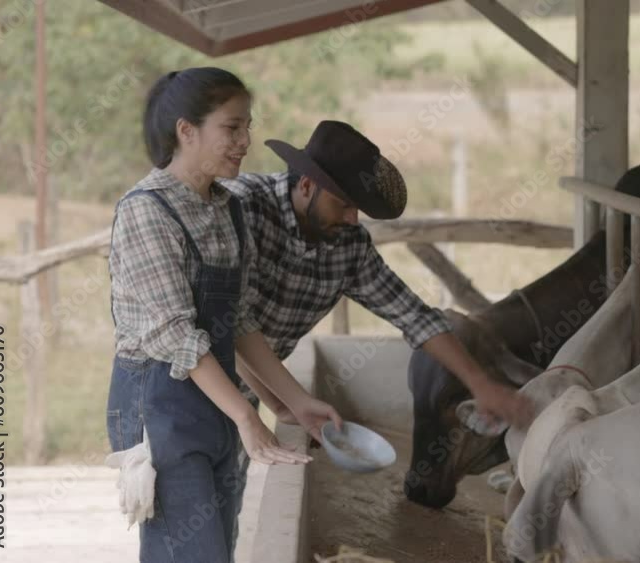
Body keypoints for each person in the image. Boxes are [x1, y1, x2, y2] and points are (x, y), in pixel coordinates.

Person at [104, 67, 342, 562]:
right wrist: (245, 417)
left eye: (247, 127)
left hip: (215, 399)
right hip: (159, 402)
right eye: (231, 128)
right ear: (186, 131)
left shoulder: (227, 208)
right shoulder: (146, 211)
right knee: (191, 553)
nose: (245, 141)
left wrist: (296, 402)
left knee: (217, 548)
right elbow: (176, 335)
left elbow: (241, 320)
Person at [219, 121, 533, 495]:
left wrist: (480, 384)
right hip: (187, 375)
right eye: (345, 204)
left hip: (246, 388)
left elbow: (414, 316)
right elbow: (228, 323)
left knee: (225, 504)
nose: (353, 218)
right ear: (306, 185)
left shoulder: (349, 244)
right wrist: (287, 402)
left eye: (358, 207)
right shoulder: (240, 209)